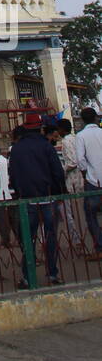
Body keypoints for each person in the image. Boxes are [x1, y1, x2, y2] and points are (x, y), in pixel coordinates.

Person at [8, 111, 66, 287]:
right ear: (40, 129)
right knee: (50, 236)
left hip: (27, 198)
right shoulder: (46, 146)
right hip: (47, 196)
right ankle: (52, 274)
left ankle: (27, 277)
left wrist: (19, 192)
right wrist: (60, 192)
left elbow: (14, 174)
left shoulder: (17, 148)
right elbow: (57, 171)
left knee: (28, 238)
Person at [75, 108, 102, 257]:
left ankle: (100, 247)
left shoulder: (81, 136)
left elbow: (80, 159)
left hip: (93, 179)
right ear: (96, 118)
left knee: (91, 214)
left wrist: (85, 173)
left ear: (83, 120)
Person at [56, 118, 82, 245]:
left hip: (72, 181)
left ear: (61, 129)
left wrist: (62, 171)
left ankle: (77, 239)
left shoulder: (66, 141)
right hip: (80, 179)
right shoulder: (76, 138)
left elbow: (72, 162)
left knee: (72, 214)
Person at [0, 139, 17, 247]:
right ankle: (17, 238)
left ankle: (6, 240)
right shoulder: (6, 160)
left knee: (2, 218)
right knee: (12, 217)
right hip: (10, 192)